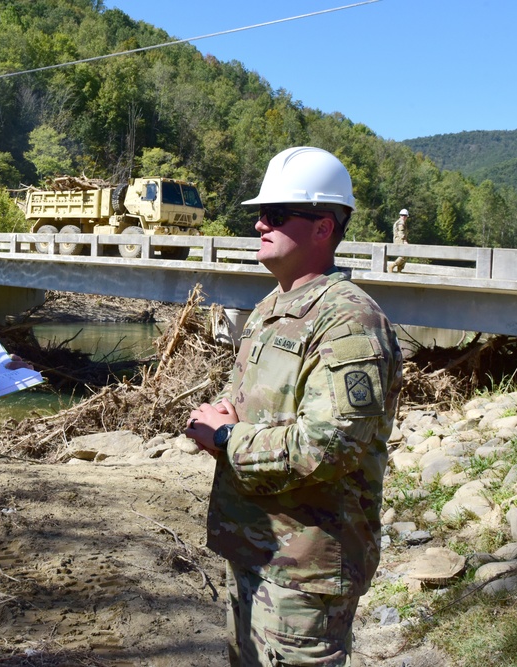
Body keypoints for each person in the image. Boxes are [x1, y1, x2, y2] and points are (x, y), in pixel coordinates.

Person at [185, 146, 403, 666]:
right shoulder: (271, 307)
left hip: (306, 571)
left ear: (324, 228)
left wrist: (225, 438)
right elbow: (258, 406)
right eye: (259, 214)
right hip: (255, 547)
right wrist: (225, 416)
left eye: (277, 215)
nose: (260, 224)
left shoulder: (349, 321)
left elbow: (331, 445)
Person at [390, 208, 409, 272]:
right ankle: (392, 266)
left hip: (398, 240)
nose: (403, 217)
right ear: (400, 215)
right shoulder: (401, 223)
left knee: (404, 256)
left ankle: (399, 269)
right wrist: (405, 241)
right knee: (404, 255)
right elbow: (401, 233)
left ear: (407, 217)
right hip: (399, 241)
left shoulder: (400, 222)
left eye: (405, 215)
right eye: (402, 215)